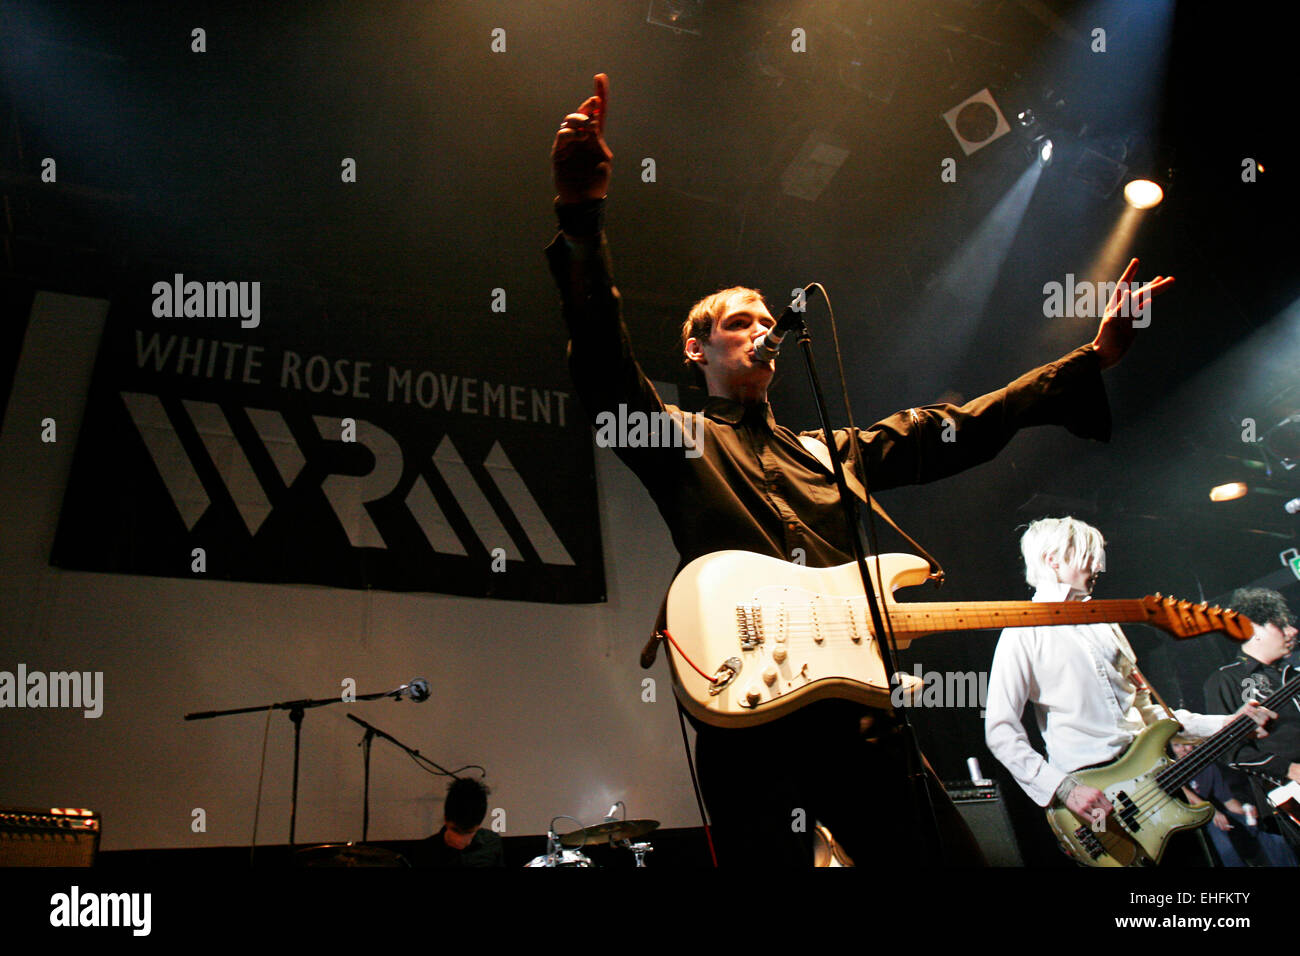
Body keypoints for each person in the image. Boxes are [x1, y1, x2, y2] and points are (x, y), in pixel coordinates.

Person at [548, 74, 1172, 868]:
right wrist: (580, 217)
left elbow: (961, 430)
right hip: (748, 715)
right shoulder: (678, 440)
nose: (763, 330)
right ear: (697, 350)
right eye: (740, 323)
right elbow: (602, 364)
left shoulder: (831, 451)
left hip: (858, 717)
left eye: (769, 320)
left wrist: (1092, 358)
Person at [984, 517, 1271, 864]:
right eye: (1087, 555)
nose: (1098, 566)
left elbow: (1150, 713)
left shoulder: (1106, 623)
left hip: (1157, 788)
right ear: (1052, 560)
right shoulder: (1021, 631)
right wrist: (1066, 790)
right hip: (1095, 799)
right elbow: (1000, 731)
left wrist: (1226, 724)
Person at [1204, 587, 1300, 852]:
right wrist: (1289, 769)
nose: (1292, 631)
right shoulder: (1225, 680)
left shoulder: (1293, 675)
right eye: (1281, 625)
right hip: (1285, 794)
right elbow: (1230, 752)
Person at [1171, 738, 1297, 866]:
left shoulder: (1207, 766)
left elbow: (1227, 799)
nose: (1183, 749)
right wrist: (1213, 812)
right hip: (1193, 820)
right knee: (1225, 847)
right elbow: (1185, 794)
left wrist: (1245, 810)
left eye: (1187, 744)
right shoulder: (1170, 768)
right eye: (1177, 745)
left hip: (1216, 813)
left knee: (1274, 841)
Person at [416, 777, 504, 868]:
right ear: (445, 819)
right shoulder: (427, 850)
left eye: (469, 832)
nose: (460, 840)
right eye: (455, 830)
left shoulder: (492, 843)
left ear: (479, 825)